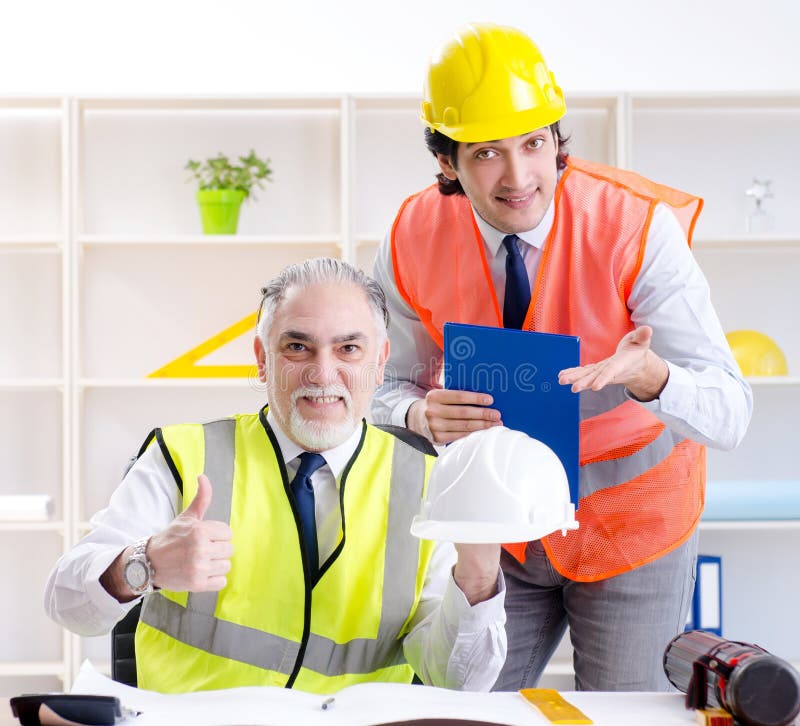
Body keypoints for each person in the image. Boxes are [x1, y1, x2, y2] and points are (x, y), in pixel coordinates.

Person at [371, 22, 753, 692]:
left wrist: (652, 378)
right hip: (496, 527)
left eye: (533, 143)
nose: (519, 176)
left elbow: (730, 416)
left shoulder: (635, 227)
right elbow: (381, 388)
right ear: (447, 161)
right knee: (464, 707)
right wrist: (418, 411)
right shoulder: (411, 234)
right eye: (487, 152)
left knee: (624, 715)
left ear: (556, 140)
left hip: (628, 526)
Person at [45, 257, 507, 694]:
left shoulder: (434, 482)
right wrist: (142, 565)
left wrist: (480, 576)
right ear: (262, 358)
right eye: (297, 346)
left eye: (348, 348)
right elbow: (66, 604)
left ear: (380, 359)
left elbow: (458, 683)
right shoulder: (184, 456)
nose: (322, 373)